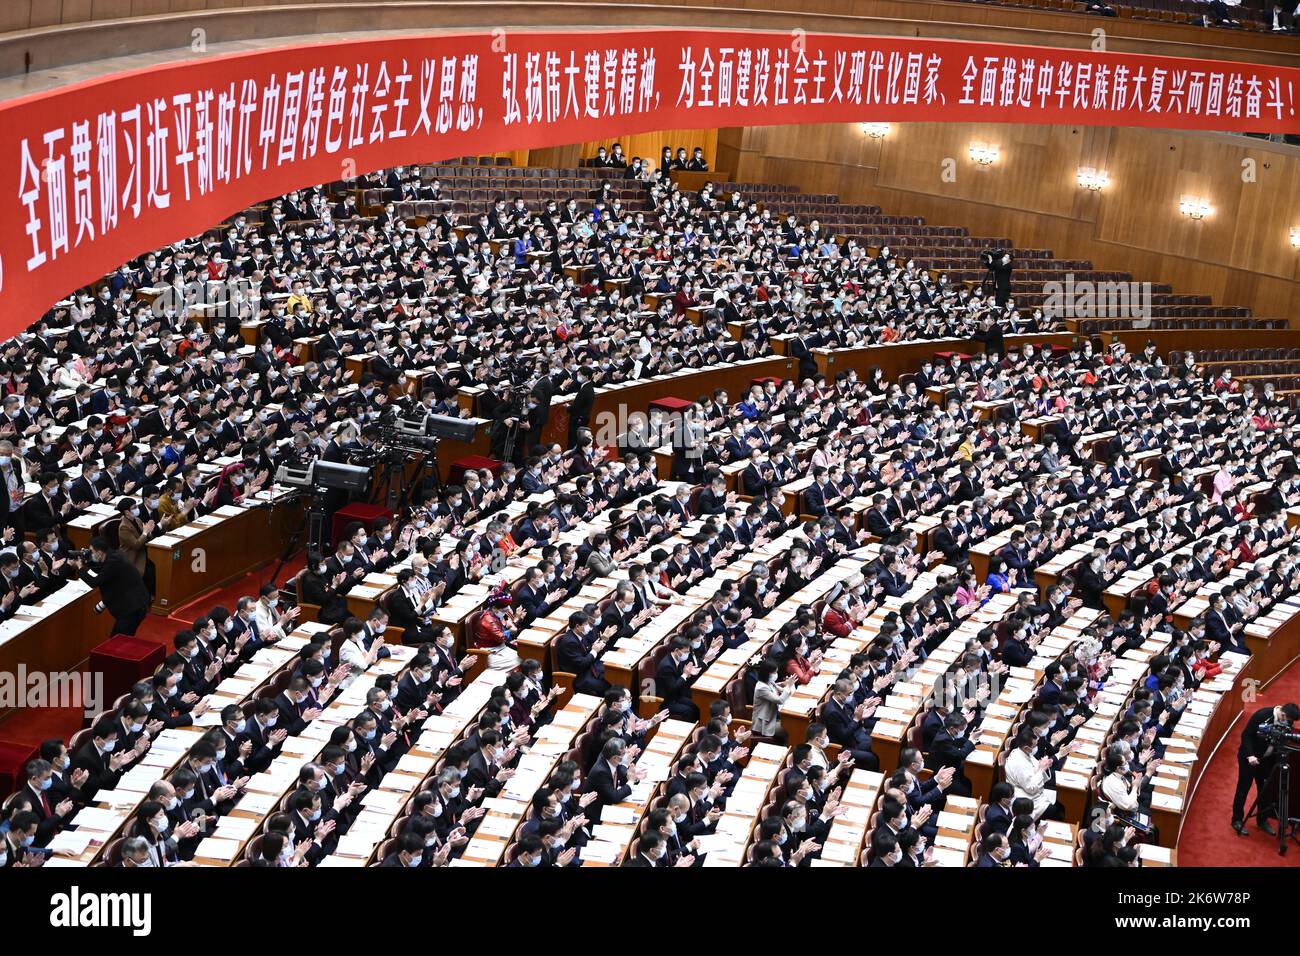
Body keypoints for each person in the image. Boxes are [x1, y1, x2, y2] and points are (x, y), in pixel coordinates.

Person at [1231, 702, 1300, 836]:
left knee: (1265, 790)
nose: (1289, 724)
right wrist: (1250, 755)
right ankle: (1237, 819)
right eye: (1289, 720)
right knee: (1243, 789)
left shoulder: (1288, 723)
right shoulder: (1262, 714)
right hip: (1249, 759)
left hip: (1267, 760)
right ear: (1283, 714)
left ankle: (1262, 820)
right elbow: (1246, 735)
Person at [71, 535, 151, 636]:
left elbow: (94, 582)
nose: (90, 553)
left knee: (116, 641)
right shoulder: (114, 555)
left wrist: (80, 568)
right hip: (136, 604)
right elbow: (101, 568)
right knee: (125, 639)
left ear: (99, 553)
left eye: (92, 551)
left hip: (132, 609)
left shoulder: (113, 563)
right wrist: (87, 562)